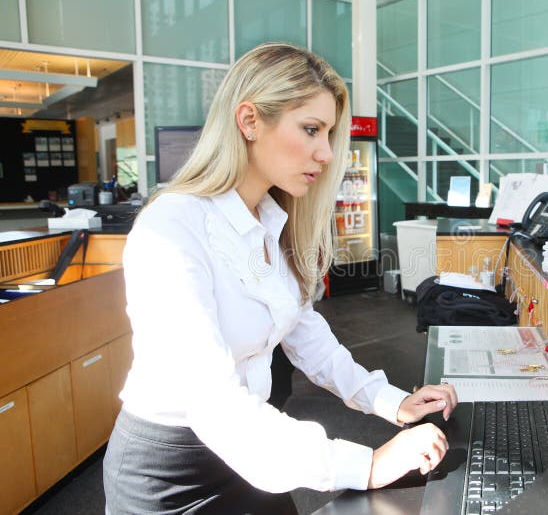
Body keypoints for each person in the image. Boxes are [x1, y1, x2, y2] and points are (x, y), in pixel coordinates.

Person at [103, 43, 458, 514]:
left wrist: (393, 402)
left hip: (252, 448)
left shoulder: (271, 223)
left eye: (329, 133)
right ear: (249, 121)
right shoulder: (172, 227)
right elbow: (212, 400)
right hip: (169, 478)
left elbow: (308, 337)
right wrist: (366, 464)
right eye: (310, 129)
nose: (327, 153)